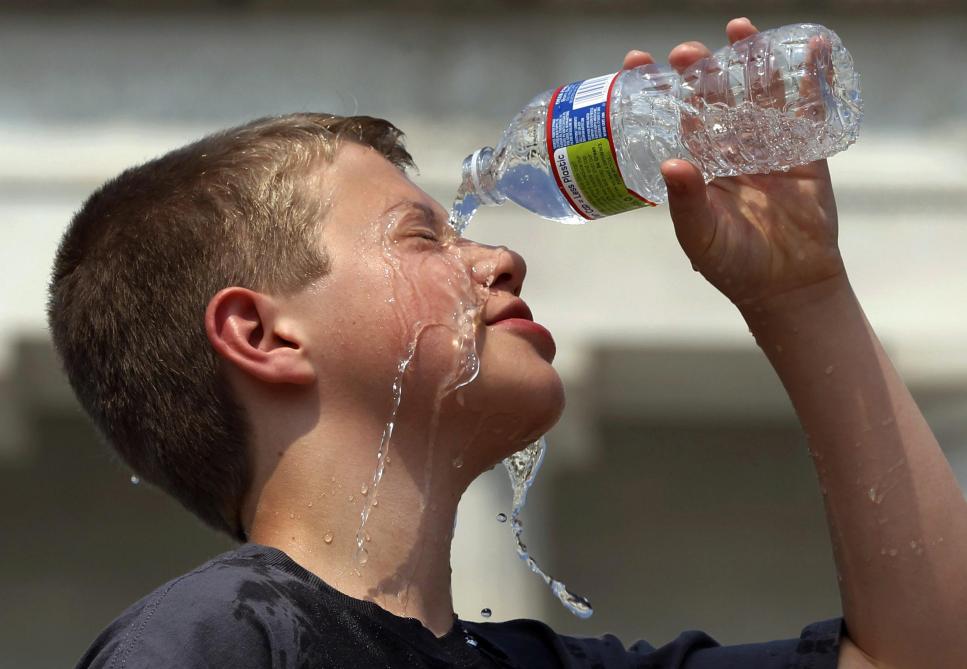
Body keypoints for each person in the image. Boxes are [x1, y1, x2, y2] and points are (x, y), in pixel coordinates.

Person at [51, 17, 965, 669]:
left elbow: (920, 653)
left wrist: (802, 293)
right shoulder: (218, 639)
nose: (500, 256)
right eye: (422, 235)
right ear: (262, 334)